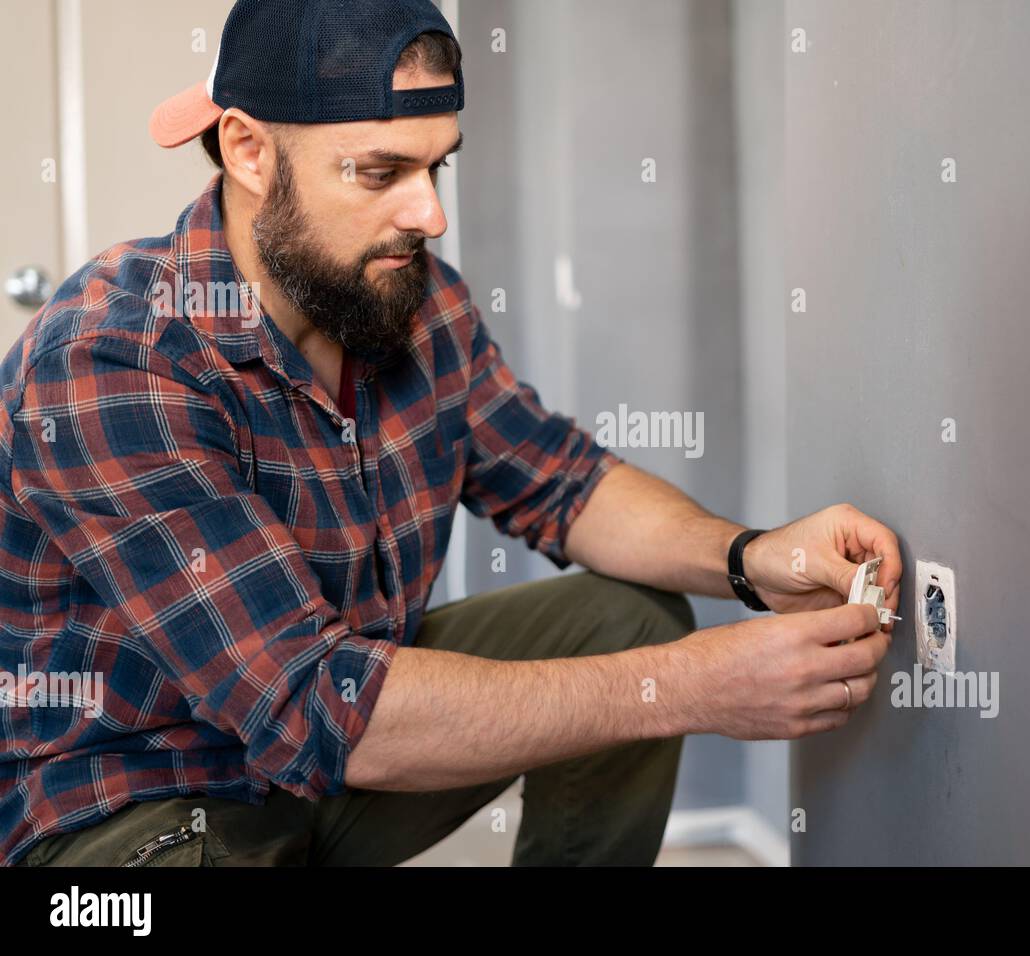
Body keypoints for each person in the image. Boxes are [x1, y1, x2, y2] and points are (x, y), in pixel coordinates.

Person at [0, 0, 900, 867]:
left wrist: (753, 557)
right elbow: (312, 701)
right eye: (382, 172)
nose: (429, 215)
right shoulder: (111, 354)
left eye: (439, 168)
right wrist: (694, 686)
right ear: (247, 151)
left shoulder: (415, 300)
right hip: (136, 803)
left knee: (629, 619)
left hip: (328, 775)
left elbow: (563, 481)